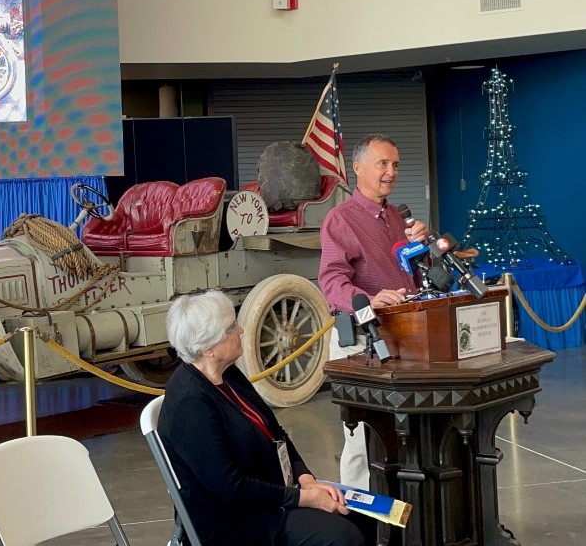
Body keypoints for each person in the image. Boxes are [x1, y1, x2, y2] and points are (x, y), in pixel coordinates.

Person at [158, 290, 374, 546]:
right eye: (231, 328)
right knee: (344, 536)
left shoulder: (228, 374)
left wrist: (306, 478)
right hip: (235, 521)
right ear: (208, 349)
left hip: (272, 494)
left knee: (367, 516)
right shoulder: (189, 403)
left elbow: (276, 433)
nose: (241, 330)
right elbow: (232, 488)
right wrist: (304, 498)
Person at [318, 133, 428, 489]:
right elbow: (332, 281)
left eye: (395, 165)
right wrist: (369, 299)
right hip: (361, 342)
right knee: (363, 442)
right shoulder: (341, 219)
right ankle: (362, 521)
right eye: (383, 163)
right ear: (358, 168)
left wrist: (420, 248)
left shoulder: (397, 216)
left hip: (403, 338)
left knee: (403, 435)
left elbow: (411, 273)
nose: (391, 172)